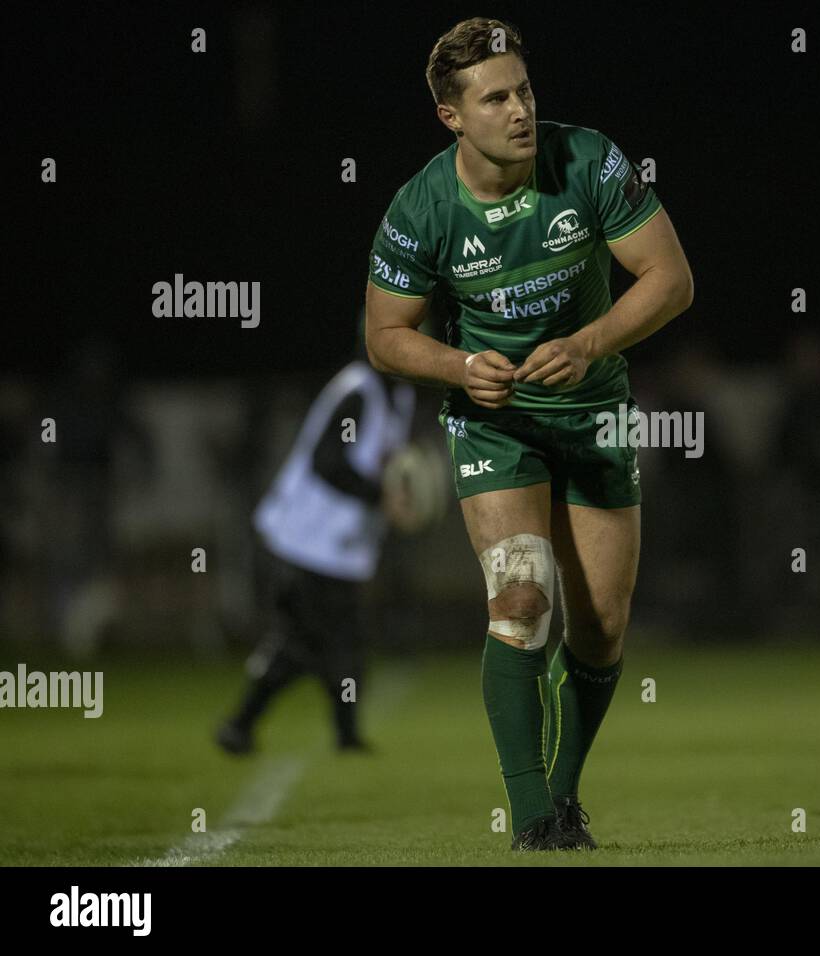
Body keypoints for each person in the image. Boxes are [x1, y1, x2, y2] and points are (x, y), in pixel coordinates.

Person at [364, 17, 693, 850]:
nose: (520, 111)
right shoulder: (421, 209)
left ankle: (566, 794)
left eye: (525, 90)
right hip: (495, 423)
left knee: (601, 627)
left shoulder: (586, 160)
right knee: (522, 597)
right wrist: (458, 367)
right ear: (451, 116)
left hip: (595, 410)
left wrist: (589, 344)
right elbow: (386, 334)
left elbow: (671, 279)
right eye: (496, 97)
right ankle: (532, 818)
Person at [216, 354, 418, 755]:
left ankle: (340, 737)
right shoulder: (358, 392)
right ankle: (242, 724)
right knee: (307, 644)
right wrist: (382, 496)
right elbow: (327, 461)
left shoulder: (397, 394)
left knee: (339, 642)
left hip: (337, 547)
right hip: (303, 541)